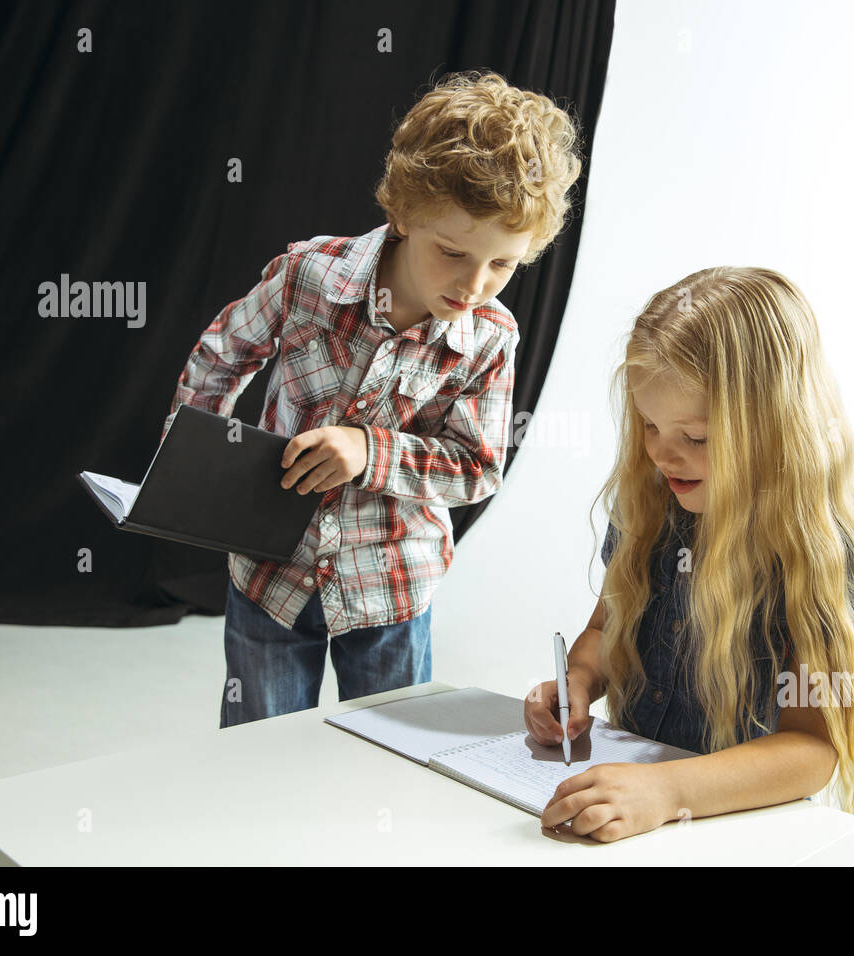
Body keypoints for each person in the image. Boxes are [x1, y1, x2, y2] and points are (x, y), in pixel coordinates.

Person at [160, 71, 583, 727]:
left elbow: (478, 467)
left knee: (388, 760)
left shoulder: (491, 336)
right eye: (453, 253)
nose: (475, 285)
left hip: (392, 585)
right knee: (255, 755)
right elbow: (221, 355)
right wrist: (195, 470)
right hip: (271, 570)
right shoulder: (307, 274)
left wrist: (370, 452)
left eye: (502, 265)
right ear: (406, 214)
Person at [524, 267, 854, 859]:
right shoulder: (651, 506)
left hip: (743, 834)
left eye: (695, 436)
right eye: (649, 425)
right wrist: (579, 683)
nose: (663, 453)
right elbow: (604, 629)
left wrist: (667, 791)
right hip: (640, 826)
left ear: (772, 428)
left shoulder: (818, 549)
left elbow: (814, 749)